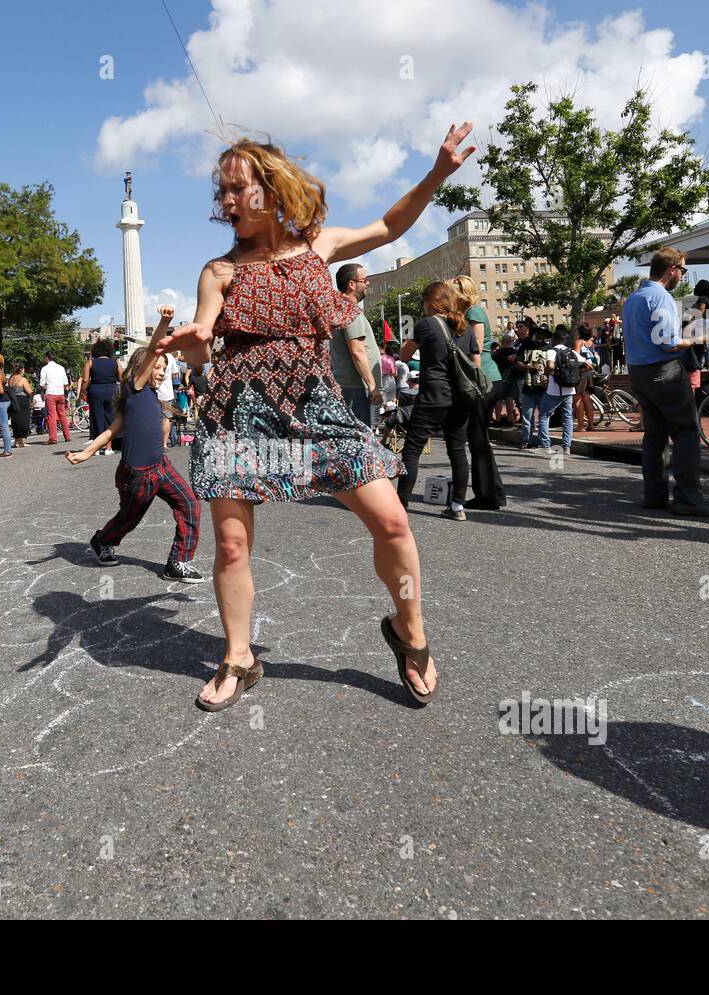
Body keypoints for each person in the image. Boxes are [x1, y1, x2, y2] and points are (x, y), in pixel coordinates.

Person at [159, 124, 475, 710]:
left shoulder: (317, 247)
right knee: (230, 547)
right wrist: (195, 341)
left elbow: (389, 227)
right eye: (221, 193)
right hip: (237, 412)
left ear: (271, 192)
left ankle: (410, 633)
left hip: (316, 404)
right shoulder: (218, 271)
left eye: (237, 190)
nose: (225, 203)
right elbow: (204, 344)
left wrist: (436, 174)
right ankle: (238, 658)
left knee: (394, 523)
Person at [68, 310, 204, 585]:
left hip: (160, 467)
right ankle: (101, 540)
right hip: (137, 474)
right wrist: (165, 323)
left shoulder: (149, 396)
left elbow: (110, 430)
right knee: (129, 519)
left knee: (189, 504)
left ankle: (178, 562)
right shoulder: (135, 387)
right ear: (142, 367)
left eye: (164, 369)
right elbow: (109, 431)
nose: (161, 372)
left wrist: (88, 451)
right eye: (157, 367)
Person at [621, 247, 709, 518]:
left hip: (639, 372)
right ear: (672, 270)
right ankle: (687, 499)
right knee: (686, 432)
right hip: (664, 372)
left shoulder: (634, 297)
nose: (682, 277)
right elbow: (669, 343)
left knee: (654, 434)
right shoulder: (660, 297)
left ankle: (654, 495)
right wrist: (698, 338)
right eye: (683, 271)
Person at [395, 282, 471, 519]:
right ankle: (458, 506)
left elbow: (404, 354)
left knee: (412, 450)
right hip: (459, 397)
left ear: (430, 302)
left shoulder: (427, 324)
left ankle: (401, 504)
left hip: (432, 397)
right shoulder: (464, 327)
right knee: (457, 451)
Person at [450, 278, 506, 510]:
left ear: (461, 293)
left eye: (451, 292)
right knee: (478, 438)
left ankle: (487, 496)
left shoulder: (473, 312)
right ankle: (494, 492)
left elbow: (476, 349)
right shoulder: (470, 313)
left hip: (483, 381)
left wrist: (472, 383)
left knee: (478, 440)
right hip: (486, 381)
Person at [329, 263, 384, 426]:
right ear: (352, 284)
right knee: (360, 440)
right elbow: (357, 351)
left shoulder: (341, 309)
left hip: (351, 386)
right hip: (356, 389)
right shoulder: (350, 310)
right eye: (364, 280)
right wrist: (372, 386)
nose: (368, 283)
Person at [539, 329, 588, 454]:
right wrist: (578, 373)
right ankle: (566, 446)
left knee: (544, 415)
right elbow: (589, 365)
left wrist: (547, 373)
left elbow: (550, 366)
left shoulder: (551, 351)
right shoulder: (571, 352)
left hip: (554, 390)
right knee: (568, 418)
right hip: (569, 389)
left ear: (554, 339)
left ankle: (545, 445)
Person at [82, 340, 122, 455]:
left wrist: (82, 392)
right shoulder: (115, 362)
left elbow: (85, 380)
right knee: (110, 418)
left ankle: (97, 448)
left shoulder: (90, 363)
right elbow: (121, 378)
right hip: (112, 391)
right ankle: (109, 448)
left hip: (96, 391)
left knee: (96, 418)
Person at [516, 327, 550, 449]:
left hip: (544, 388)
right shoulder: (525, 346)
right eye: (538, 335)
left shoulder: (549, 348)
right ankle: (527, 440)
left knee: (543, 417)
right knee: (527, 416)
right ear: (533, 335)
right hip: (528, 388)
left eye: (542, 336)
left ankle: (543, 441)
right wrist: (529, 368)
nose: (540, 338)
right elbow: (517, 362)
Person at [39, 351, 72, 445]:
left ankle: (53, 438)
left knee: (52, 416)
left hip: (50, 394)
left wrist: (42, 391)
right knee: (62, 415)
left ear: (47, 358)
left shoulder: (45, 368)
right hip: (60, 394)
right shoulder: (61, 368)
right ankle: (67, 436)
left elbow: (42, 384)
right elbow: (66, 383)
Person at [573, 325, 598, 431]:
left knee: (577, 399)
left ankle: (580, 425)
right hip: (590, 373)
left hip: (581, 373)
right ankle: (591, 425)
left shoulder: (579, 342)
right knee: (587, 398)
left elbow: (575, 358)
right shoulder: (591, 343)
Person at [156, 338, 178, 448]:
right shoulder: (171, 357)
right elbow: (175, 375)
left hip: (155, 393)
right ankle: (164, 443)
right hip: (168, 393)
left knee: (154, 418)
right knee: (166, 419)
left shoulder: (154, 356)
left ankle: (156, 442)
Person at [7, 364, 34, 447]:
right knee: (23, 421)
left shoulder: (10, 379)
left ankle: (16, 441)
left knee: (15, 421)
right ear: (21, 370)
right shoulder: (22, 379)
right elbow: (29, 391)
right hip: (22, 401)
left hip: (13, 401)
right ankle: (21, 442)